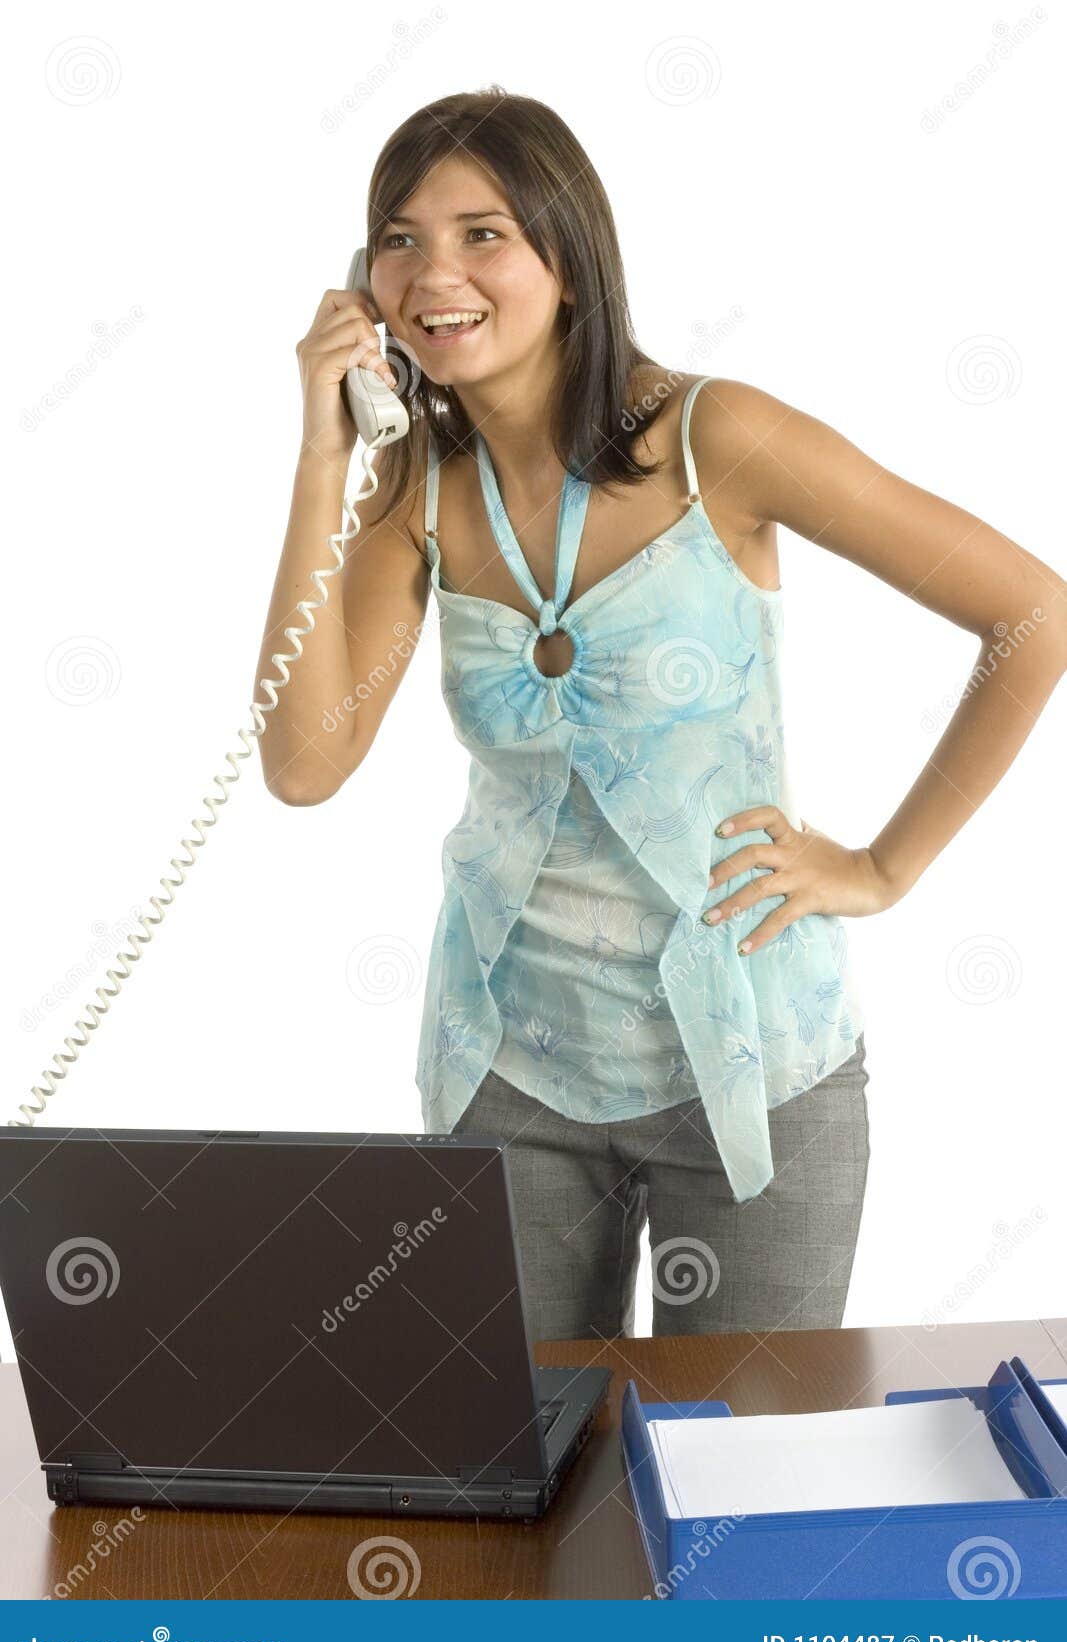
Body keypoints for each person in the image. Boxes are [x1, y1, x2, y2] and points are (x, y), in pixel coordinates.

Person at [254, 87, 1067, 1345]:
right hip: (512, 1066)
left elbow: (1030, 613)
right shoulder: (417, 485)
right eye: (398, 239)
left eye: (483, 234)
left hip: (752, 1060)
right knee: (521, 1486)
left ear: (567, 261)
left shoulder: (714, 437)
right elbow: (305, 764)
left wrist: (881, 867)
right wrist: (323, 454)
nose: (433, 273)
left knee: (735, 1487)